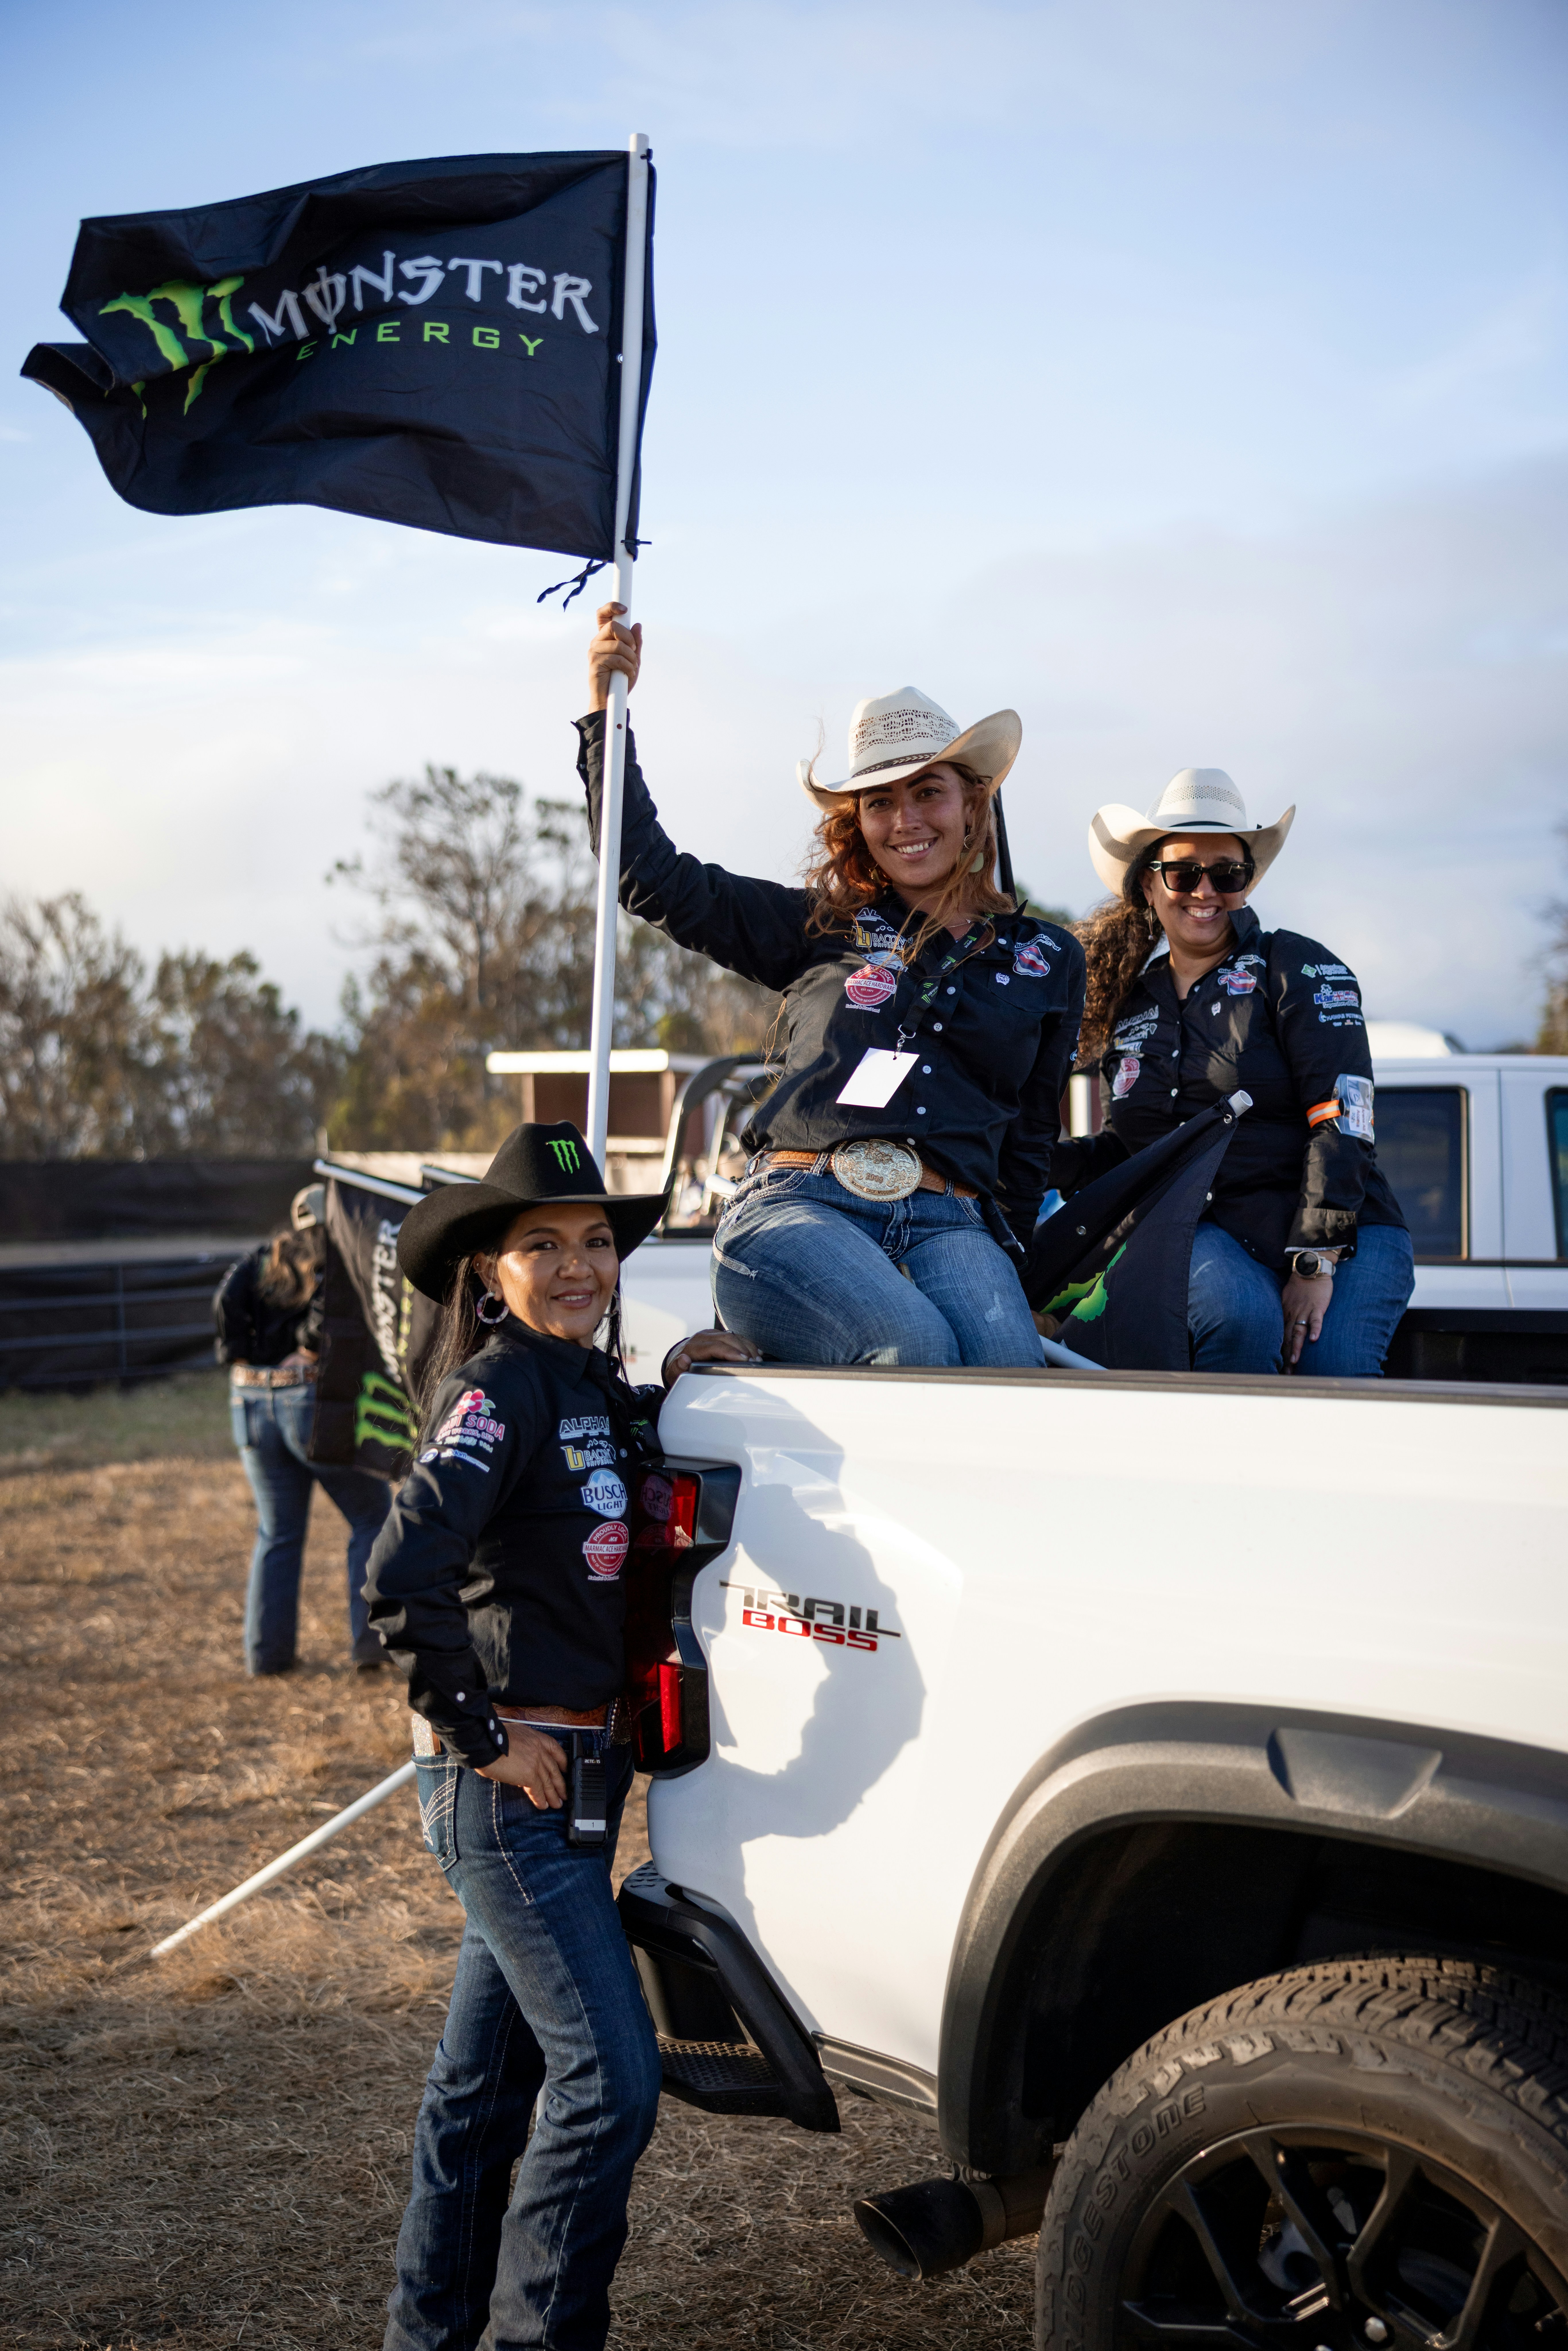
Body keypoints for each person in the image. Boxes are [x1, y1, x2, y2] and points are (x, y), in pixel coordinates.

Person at [363, 1121, 754, 2351]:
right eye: (544, 1245)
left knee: (484, 2096)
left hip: (580, 1781)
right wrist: (485, 1740)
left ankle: (425, 2336)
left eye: (594, 1241)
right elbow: (399, 1578)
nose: (579, 1264)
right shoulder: (498, 1386)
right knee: (609, 2079)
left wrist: (681, 1377)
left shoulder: (583, 1380)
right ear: (489, 1269)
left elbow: (616, 1486)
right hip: (514, 1786)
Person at [576, 603, 1085, 1367]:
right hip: (800, 1204)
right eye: (881, 800)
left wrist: (1015, 1286)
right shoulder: (816, 925)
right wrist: (604, 713)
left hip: (956, 1223)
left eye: (928, 792)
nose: (905, 819)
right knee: (915, 1348)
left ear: (974, 801)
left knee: (1007, 1371)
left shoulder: (1051, 955)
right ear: (859, 821)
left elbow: (1031, 1141)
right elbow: (646, 874)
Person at [1053, 769, 1414, 1375]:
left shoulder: (1296, 967)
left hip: (1345, 1232)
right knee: (1240, 1321)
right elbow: (1131, 1154)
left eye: (1226, 873)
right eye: (1183, 872)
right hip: (1210, 1227)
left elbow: (1343, 1115)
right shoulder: (1125, 1003)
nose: (1204, 890)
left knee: (1334, 1373)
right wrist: (1032, 1155)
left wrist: (1314, 1259)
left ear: (1245, 884)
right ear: (1148, 883)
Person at [214, 1186, 392, 1674]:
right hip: (309, 1398)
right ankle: (371, 1644)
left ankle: (266, 1657)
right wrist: (311, 1351)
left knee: (278, 1531)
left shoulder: (260, 1259)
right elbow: (337, 1306)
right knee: (372, 1517)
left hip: (249, 1401)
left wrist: (241, 1358)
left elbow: (226, 1298)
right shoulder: (334, 1255)